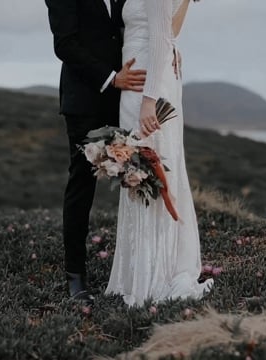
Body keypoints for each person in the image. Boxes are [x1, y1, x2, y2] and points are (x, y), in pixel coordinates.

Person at [105, 0, 213, 307]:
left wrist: (149, 100)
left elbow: (163, 39)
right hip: (145, 79)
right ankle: (141, 271)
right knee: (144, 173)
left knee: (150, 173)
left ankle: (153, 274)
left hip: (146, 88)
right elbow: (169, 31)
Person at [44, 0, 147, 303]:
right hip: (86, 100)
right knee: (82, 184)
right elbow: (64, 44)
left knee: (138, 176)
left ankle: (140, 267)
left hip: (125, 99)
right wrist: (111, 78)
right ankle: (75, 276)